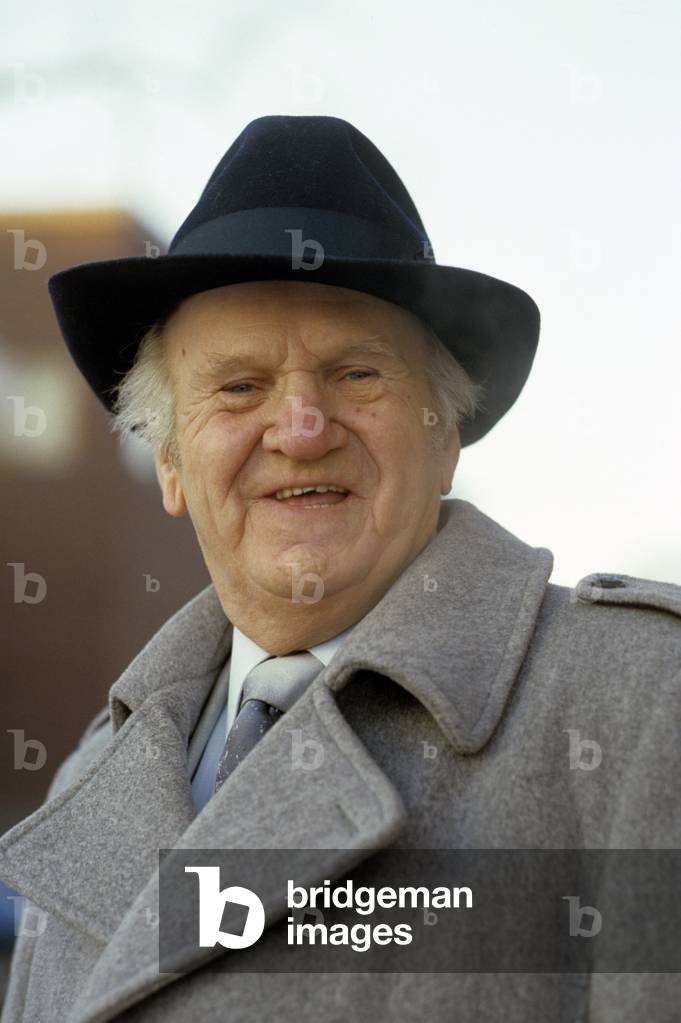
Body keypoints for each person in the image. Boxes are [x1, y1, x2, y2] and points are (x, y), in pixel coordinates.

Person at [1, 114, 679, 1023]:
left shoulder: (643, 706)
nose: (301, 430)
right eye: (239, 387)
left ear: (445, 438)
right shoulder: (94, 774)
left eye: (357, 375)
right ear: (169, 462)